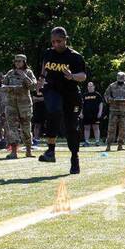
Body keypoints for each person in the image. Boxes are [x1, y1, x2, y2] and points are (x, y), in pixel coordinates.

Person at [38, 26, 87, 174]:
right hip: (53, 89)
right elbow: (44, 68)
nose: (55, 44)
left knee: (71, 128)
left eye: (58, 41)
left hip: (71, 94)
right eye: (53, 42)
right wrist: (41, 80)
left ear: (65, 39)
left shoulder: (74, 56)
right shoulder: (48, 53)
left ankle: (74, 158)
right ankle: (51, 151)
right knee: (54, 110)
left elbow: (83, 77)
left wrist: (72, 76)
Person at [0, 54, 37, 159]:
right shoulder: (10, 73)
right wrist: (9, 88)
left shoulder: (29, 72)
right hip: (11, 104)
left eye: (20, 61)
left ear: (24, 62)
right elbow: (3, 86)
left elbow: (33, 86)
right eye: (16, 61)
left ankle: (28, 150)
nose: (17, 63)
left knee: (26, 127)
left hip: (24, 104)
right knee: (12, 128)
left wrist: (24, 77)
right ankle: (14, 152)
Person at [104, 72, 125, 152]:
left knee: (123, 129)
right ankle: (108, 145)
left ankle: (120, 145)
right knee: (111, 129)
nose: (120, 79)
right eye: (119, 78)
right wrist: (110, 99)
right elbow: (106, 95)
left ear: (124, 78)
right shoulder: (112, 86)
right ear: (117, 78)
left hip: (124, 110)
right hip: (114, 110)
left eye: (122, 78)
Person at [80, 81, 103, 146]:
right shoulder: (84, 95)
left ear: (94, 87)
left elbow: (101, 104)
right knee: (86, 128)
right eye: (88, 86)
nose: (90, 87)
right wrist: (81, 113)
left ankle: (97, 141)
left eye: (91, 86)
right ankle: (86, 142)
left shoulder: (97, 94)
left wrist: (100, 112)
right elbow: (81, 105)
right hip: (86, 114)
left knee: (96, 127)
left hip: (95, 114)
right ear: (87, 87)